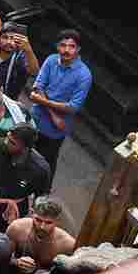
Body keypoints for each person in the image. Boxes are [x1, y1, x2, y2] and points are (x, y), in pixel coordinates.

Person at [29, 29, 92, 181]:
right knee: (25, 156)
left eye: (71, 46)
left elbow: (73, 107)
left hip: (55, 131)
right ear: (57, 47)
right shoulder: (51, 60)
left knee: (45, 165)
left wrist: (41, 101)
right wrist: (53, 114)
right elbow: (38, 86)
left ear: (78, 49)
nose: (66, 50)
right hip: (35, 120)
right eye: (63, 45)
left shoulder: (84, 75)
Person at [0, 125, 51, 227]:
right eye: (7, 137)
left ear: (26, 148)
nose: (5, 142)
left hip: (14, 210)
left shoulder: (40, 169)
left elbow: (41, 198)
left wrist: (34, 221)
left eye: (12, 143)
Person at [0, 22, 40, 101]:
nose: (8, 42)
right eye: (5, 37)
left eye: (12, 38)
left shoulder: (19, 58)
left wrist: (28, 50)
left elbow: (35, 72)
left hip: (9, 102)